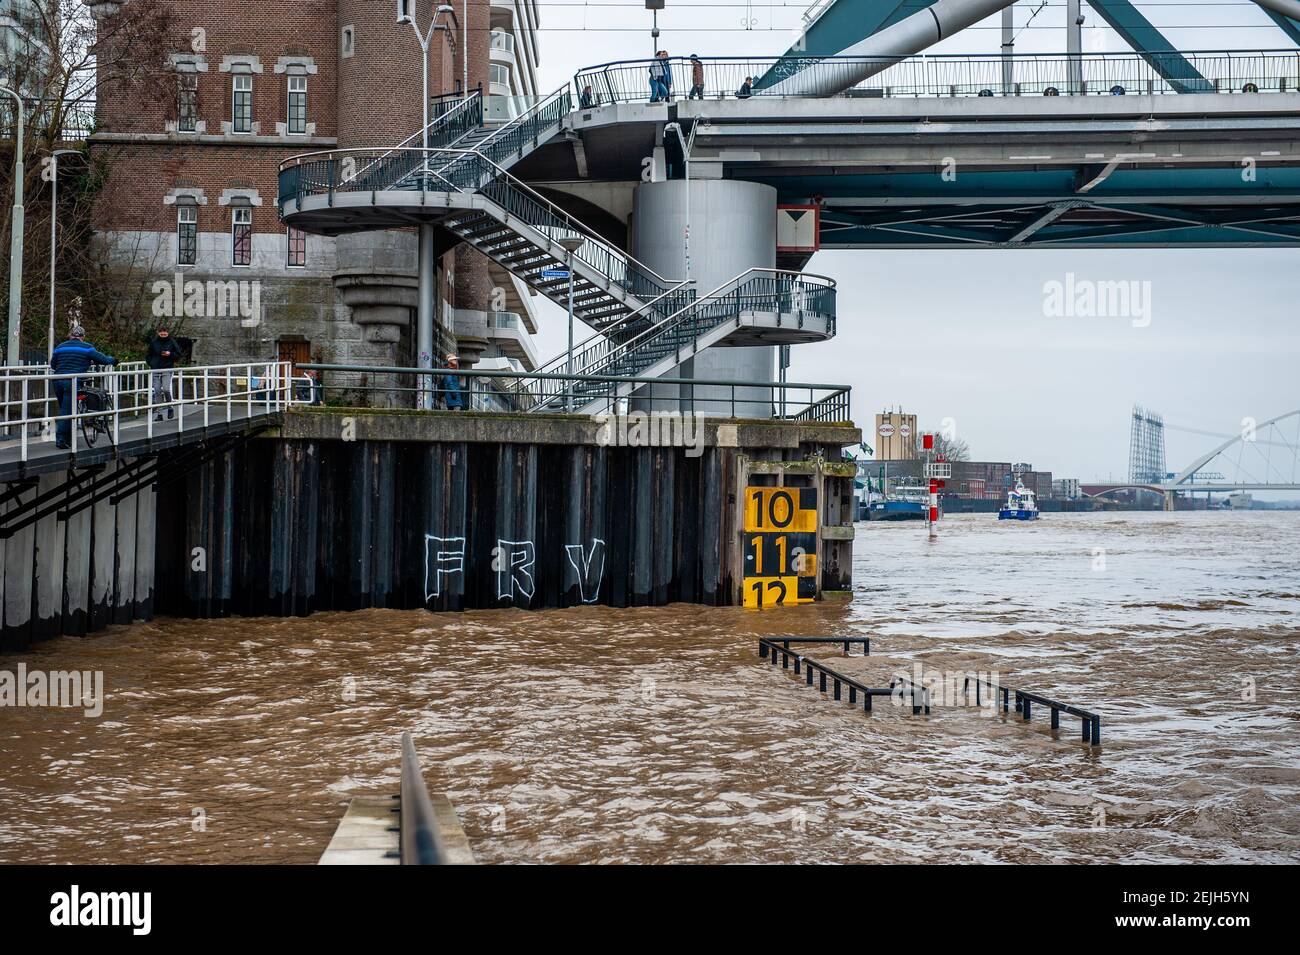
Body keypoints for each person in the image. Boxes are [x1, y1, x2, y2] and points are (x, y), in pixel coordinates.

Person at [49, 323, 115, 449]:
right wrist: (114, 360)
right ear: (82, 337)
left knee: (65, 408)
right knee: (67, 412)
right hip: (71, 382)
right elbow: (104, 359)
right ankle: (61, 440)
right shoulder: (87, 348)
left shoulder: (59, 347)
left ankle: (68, 439)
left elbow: (53, 365)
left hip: (57, 381)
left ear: (70, 335)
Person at [145, 325, 180, 421]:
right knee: (157, 391)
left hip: (167, 368)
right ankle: (159, 414)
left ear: (167, 332)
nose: (163, 334)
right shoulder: (154, 342)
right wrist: (151, 363)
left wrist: (170, 354)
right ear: (158, 332)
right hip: (155, 369)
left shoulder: (172, 342)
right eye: (161, 332)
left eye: (165, 332)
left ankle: (170, 407)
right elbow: (148, 354)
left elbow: (178, 355)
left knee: (166, 389)